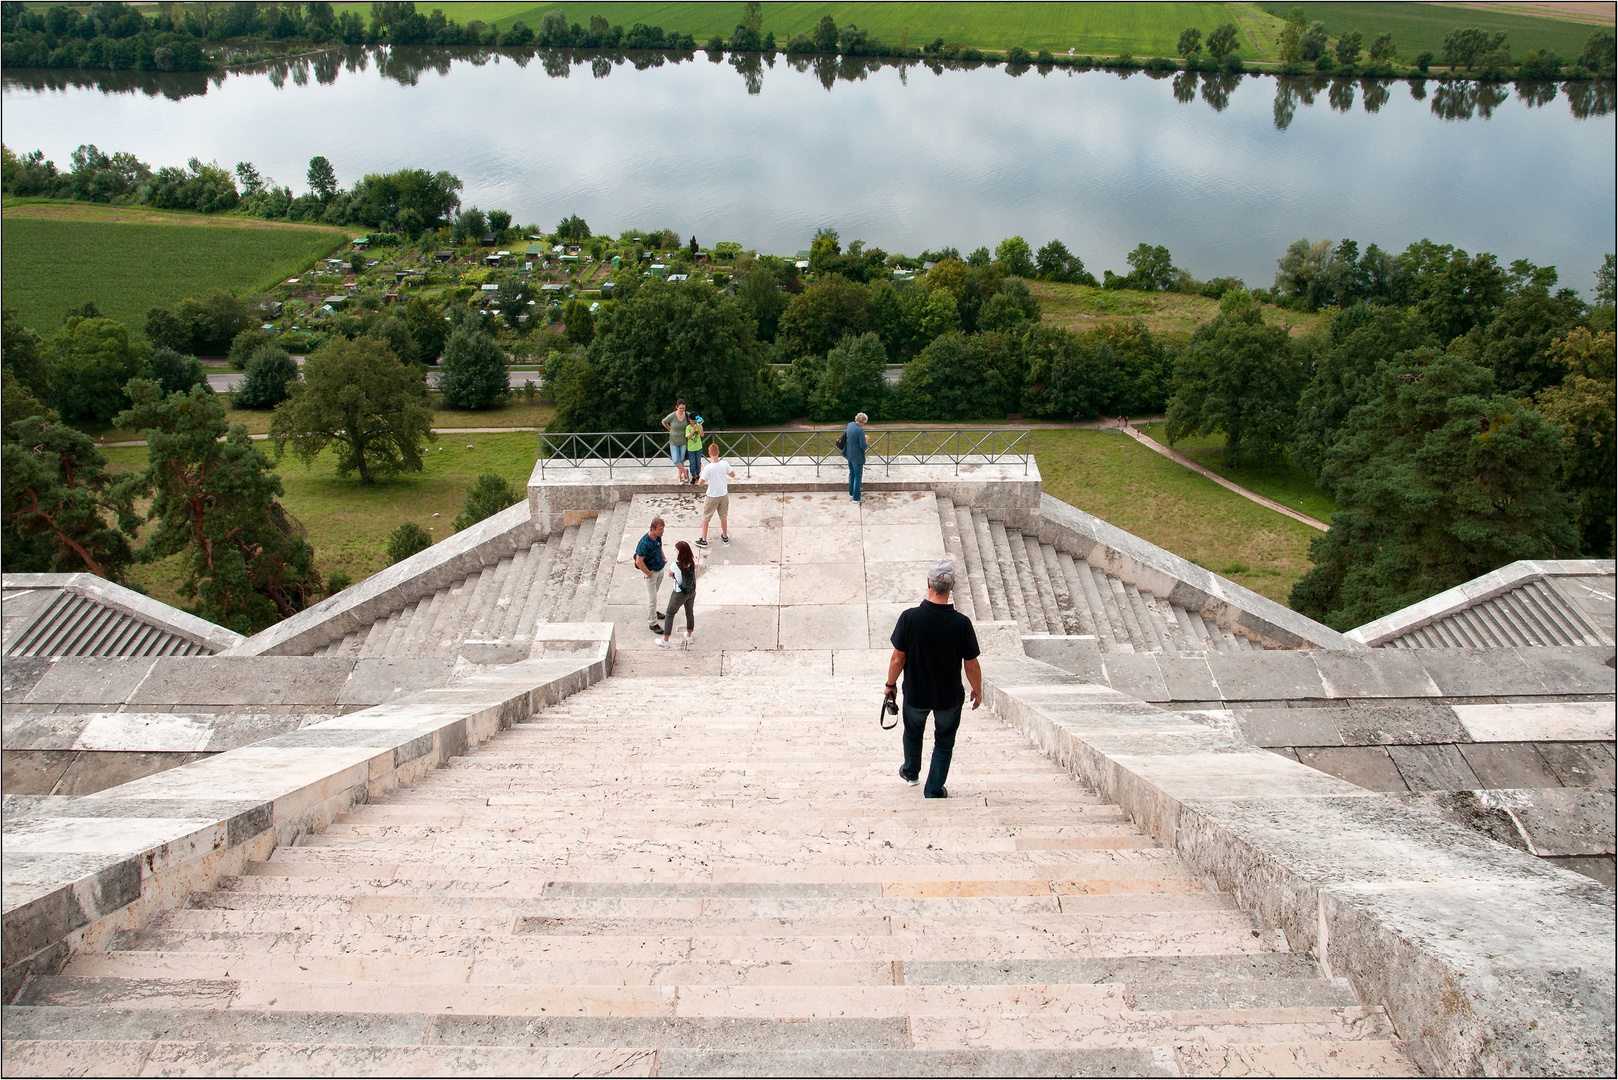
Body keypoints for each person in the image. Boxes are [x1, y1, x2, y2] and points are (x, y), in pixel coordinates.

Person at [885, 559, 982, 799]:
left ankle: (911, 772)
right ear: (953, 586)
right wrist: (977, 690)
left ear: (928, 583)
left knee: (912, 732)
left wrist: (890, 685)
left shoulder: (909, 618)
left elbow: (898, 659)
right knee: (944, 741)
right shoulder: (962, 624)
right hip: (948, 697)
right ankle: (934, 789)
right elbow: (971, 664)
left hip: (916, 693)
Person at [656, 540, 698, 649]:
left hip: (679, 594)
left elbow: (670, 574)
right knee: (689, 612)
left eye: (677, 550)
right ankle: (689, 635)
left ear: (680, 552)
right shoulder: (692, 561)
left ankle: (665, 639)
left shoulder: (675, 565)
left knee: (670, 614)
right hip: (691, 592)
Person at [697, 442, 736, 547]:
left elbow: (700, 483)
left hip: (712, 495)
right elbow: (732, 474)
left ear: (709, 453)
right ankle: (725, 536)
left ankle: (704, 539)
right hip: (723, 494)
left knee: (706, 517)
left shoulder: (708, 468)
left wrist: (702, 471)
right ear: (718, 452)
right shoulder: (724, 464)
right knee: (723, 516)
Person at [634, 516, 667, 632]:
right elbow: (638, 561)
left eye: (663, 529)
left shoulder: (657, 537)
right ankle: (652, 622)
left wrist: (663, 558)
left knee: (655, 595)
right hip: (651, 573)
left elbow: (659, 547)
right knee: (652, 599)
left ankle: (654, 612)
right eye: (660, 529)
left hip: (659, 569)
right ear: (653, 529)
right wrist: (648, 573)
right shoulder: (644, 543)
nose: (662, 531)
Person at [841, 412, 868, 502]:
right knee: (857, 476)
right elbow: (863, 445)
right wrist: (866, 439)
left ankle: (852, 492)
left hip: (849, 453)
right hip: (857, 456)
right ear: (863, 421)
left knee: (851, 473)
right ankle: (856, 498)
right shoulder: (859, 430)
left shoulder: (849, 425)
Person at [661, 400, 690, 482]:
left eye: (683, 408)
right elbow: (664, 421)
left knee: (681, 460)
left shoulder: (687, 415)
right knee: (676, 460)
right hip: (674, 441)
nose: (682, 410)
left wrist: (699, 422)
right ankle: (685, 472)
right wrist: (669, 429)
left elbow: (696, 418)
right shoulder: (673, 416)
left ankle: (680, 477)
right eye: (680, 408)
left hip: (683, 441)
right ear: (676, 407)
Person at [684, 414, 706, 486]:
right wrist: (693, 430)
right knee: (692, 463)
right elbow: (688, 437)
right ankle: (694, 476)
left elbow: (702, 435)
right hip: (691, 449)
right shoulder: (688, 428)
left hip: (698, 447)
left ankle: (698, 474)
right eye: (692, 421)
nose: (693, 422)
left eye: (695, 421)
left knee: (698, 462)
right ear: (689, 420)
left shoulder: (698, 426)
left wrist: (699, 426)